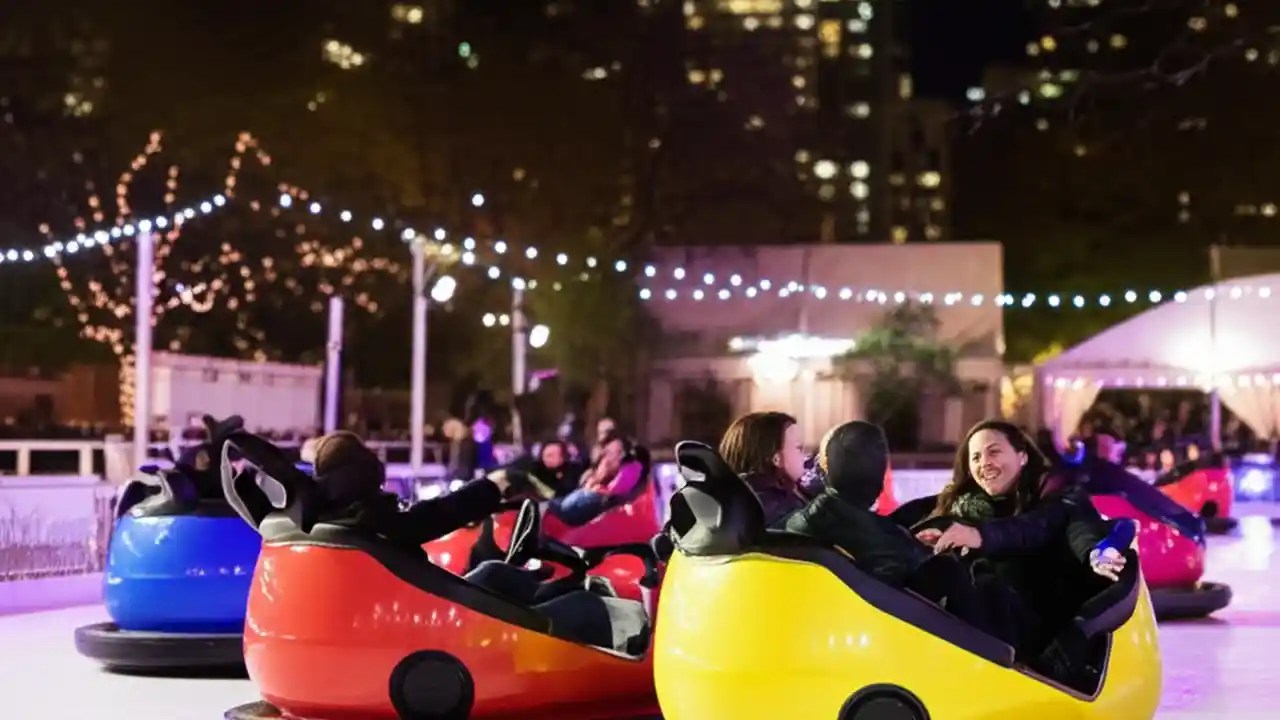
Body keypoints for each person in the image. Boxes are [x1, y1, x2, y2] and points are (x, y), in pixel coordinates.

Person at [900, 420, 1127, 658]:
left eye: (994, 452)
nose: (984, 463)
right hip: (982, 624)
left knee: (963, 577)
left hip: (1034, 629)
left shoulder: (1057, 495)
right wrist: (935, 543)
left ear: (1022, 456)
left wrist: (1096, 551)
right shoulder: (967, 504)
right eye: (975, 457)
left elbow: (1037, 529)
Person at [717, 411, 809, 526]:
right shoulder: (766, 504)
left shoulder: (734, 495)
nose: (806, 455)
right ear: (776, 458)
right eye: (799, 448)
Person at [540, 431, 645, 526]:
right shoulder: (601, 473)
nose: (605, 458)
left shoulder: (631, 469)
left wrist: (597, 485)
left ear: (622, 454)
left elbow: (614, 497)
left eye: (609, 453)